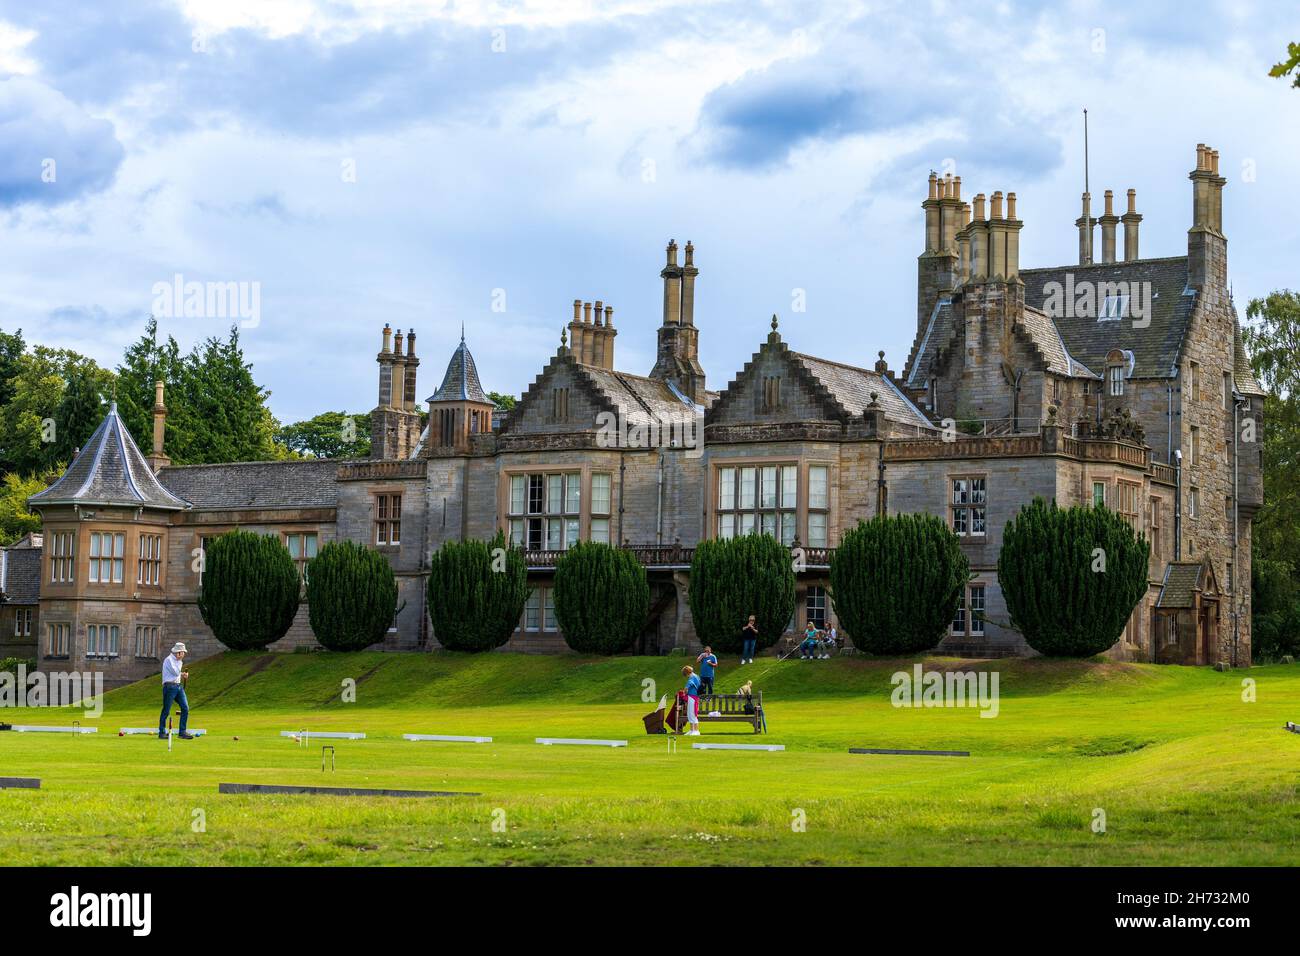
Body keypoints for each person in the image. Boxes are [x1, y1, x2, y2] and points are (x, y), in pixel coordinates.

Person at [158, 642, 194, 740]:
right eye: (182, 652)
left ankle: (182, 732)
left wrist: (183, 675)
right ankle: (161, 732)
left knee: (185, 707)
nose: (183, 654)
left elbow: (176, 673)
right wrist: (181, 671)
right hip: (169, 687)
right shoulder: (169, 660)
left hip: (178, 686)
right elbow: (175, 672)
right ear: (178, 652)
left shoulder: (178, 661)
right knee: (166, 710)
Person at [681, 665, 701, 736]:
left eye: (685, 674)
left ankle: (696, 730)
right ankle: (691, 730)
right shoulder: (696, 676)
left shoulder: (692, 677)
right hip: (691, 696)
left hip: (693, 697)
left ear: (687, 673)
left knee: (693, 714)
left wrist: (684, 692)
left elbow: (686, 687)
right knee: (690, 714)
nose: (686, 676)